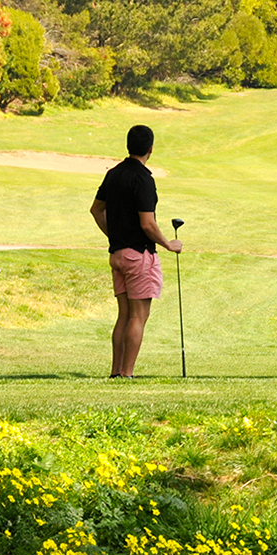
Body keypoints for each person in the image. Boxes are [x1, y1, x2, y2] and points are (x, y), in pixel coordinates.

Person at [90, 124, 182, 378]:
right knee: (138, 317)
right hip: (138, 255)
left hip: (117, 255)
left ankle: (116, 372)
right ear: (151, 149)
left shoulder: (113, 174)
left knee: (124, 315)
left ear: (129, 146)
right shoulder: (143, 179)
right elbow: (147, 223)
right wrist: (168, 244)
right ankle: (127, 373)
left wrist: (116, 234)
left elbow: (96, 209)